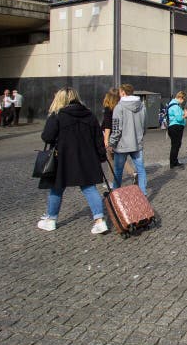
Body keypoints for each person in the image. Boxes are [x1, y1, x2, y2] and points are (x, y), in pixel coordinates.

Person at [36, 86, 108, 234]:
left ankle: (50, 219)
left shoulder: (57, 115)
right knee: (89, 188)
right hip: (87, 158)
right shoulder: (89, 115)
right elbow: (98, 138)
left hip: (62, 158)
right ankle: (100, 221)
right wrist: (101, 156)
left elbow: (47, 137)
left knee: (56, 188)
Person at [108, 83, 149, 195]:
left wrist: (111, 143)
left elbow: (116, 129)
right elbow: (145, 126)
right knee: (141, 169)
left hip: (122, 145)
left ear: (123, 92)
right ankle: (143, 193)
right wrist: (140, 136)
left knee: (118, 171)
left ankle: (116, 194)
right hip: (137, 143)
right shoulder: (142, 106)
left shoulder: (119, 107)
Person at [101, 88, 137, 184]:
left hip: (110, 135)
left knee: (111, 158)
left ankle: (112, 181)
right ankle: (133, 173)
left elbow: (107, 125)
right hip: (120, 134)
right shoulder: (121, 107)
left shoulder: (109, 108)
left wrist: (106, 140)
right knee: (119, 156)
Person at [166, 90, 187, 168]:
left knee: (176, 145)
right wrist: (186, 114)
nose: (183, 101)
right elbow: (179, 119)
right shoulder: (175, 106)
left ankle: (174, 161)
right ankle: (173, 163)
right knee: (175, 145)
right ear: (180, 98)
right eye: (183, 99)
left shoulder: (173, 104)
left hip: (173, 127)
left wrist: (184, 112)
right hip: (176, 127)